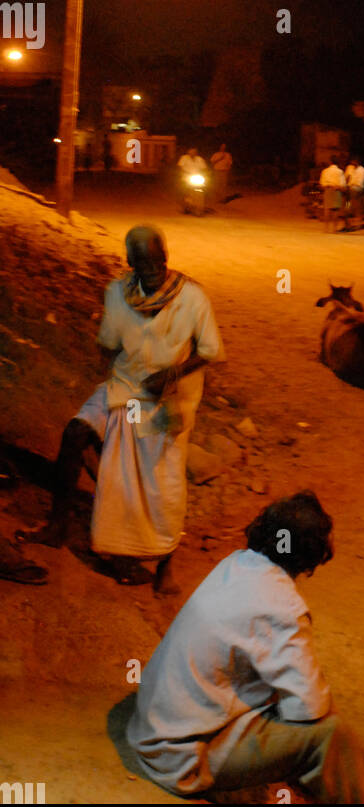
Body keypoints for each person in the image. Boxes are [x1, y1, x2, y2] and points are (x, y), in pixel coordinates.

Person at [127, 493, 364, 803]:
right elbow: (308, 709)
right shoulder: (282, 607)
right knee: (328, 733)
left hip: (151, 733)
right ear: (314, 554)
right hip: (183, 760)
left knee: (281, 694)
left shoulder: (235, 564)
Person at [16, 225, 225, 595]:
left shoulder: (191, 298)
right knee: (75, 433)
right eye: (142, 261)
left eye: (156, 260)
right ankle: (57, 526)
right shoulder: (117, 293)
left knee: (160, 483)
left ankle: (164, 562)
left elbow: (209, 351)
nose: (151, 268)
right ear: (129, 261)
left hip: (166, 401)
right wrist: (121, 367)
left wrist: (170, 373)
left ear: (166, 256)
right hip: (123, 390)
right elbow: (108, 344)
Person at [319, 156, 345, 233]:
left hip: (328, 189)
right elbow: (342, 183)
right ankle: (334, 228)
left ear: (330, 162)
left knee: (327, 209)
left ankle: (326, 228)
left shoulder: (325, 171)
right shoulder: (340, 171)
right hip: (337, 190)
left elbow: (322, 183)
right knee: (336, 210)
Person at [343, 156, 364, 231]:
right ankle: (347, 224)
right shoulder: (349, 168)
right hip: (348, 189)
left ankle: (358, 224)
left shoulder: (362, 171)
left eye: (354, 162)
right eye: (352, 162)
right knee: (346, 207)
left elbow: (359, 183)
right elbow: (345, 178)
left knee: (356, 207)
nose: (352, 164)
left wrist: (349, 186)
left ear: (358, 162)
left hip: (356, 189)